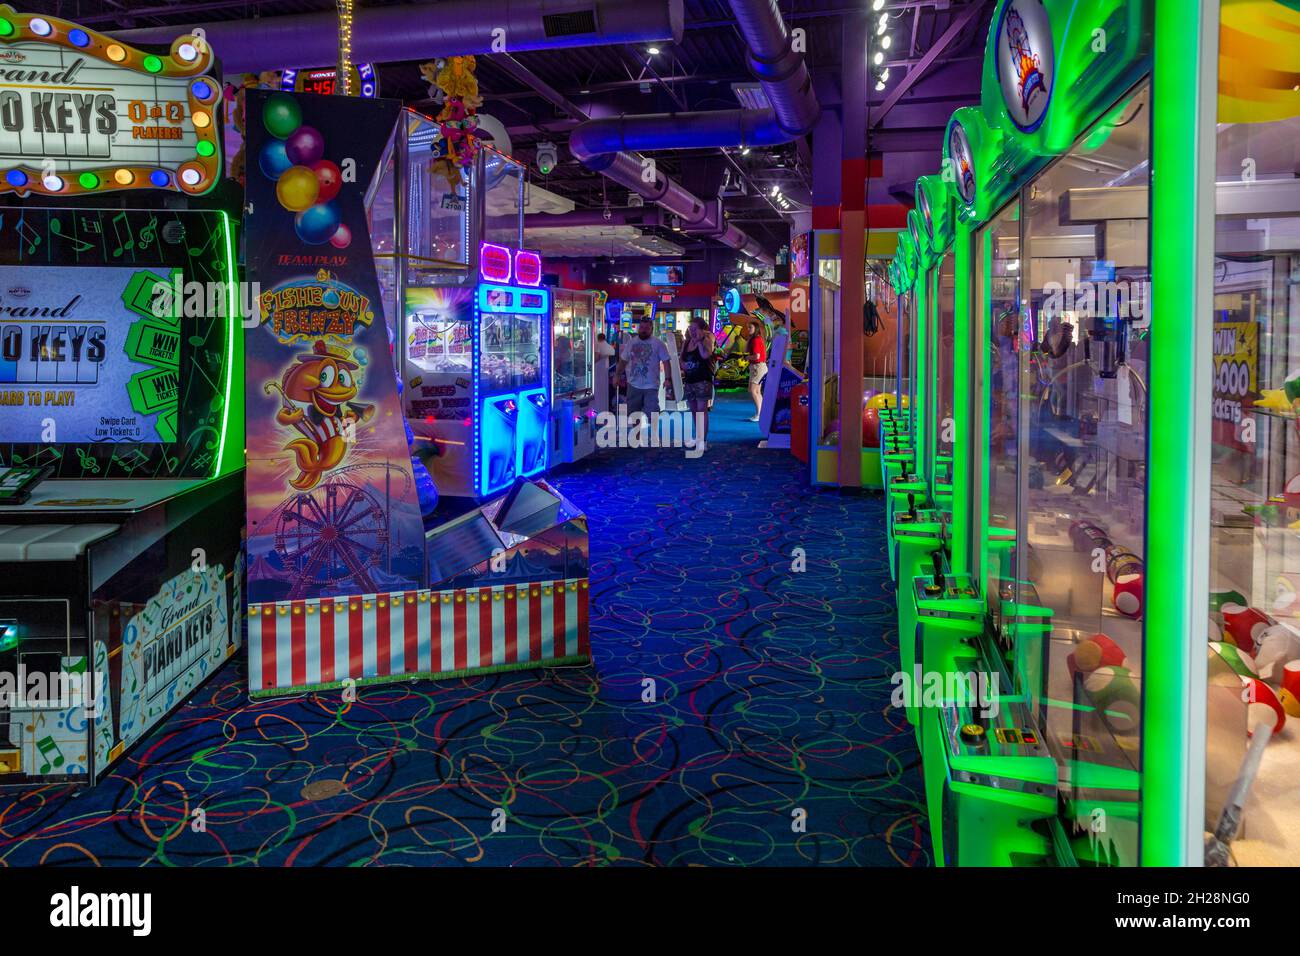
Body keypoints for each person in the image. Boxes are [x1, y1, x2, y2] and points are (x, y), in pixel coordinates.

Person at [617, 317, 671, 418]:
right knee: (633, 414)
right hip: (633, 384)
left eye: (647, 328)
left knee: (652, 413)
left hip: (651, 385)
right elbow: (623, 360)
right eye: (641, 327)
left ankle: (653, 433)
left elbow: (666, 362)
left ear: (652, 329)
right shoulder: (631, 342)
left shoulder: (658, 344)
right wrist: (617, 375)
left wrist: (668, 379)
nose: (644, 330)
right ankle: (637, 434)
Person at [680, 316, 716, 451]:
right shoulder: (686, 342)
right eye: (691, 328)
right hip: (690, 380)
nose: (692, 331)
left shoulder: (707, 339)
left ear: (702, 329)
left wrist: (699, 341)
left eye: (695, 329)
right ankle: (698, 437)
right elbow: (681, 359)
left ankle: (703, 441)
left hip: (703, 380)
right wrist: (684, 366)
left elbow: (705, 355)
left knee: (702, 411)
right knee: (694, 411)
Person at [745, 318, 768, 421]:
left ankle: (759, 414)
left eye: (750, 327)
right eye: (748, 327)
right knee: (757, 391)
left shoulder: (755, 340)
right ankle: (761, 413)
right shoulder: (757, 339)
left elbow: (756, 356)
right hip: (759, 367)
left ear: (756, 328)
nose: (748, 329)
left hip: (757, 367)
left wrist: (747, 357)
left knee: (754, 391)